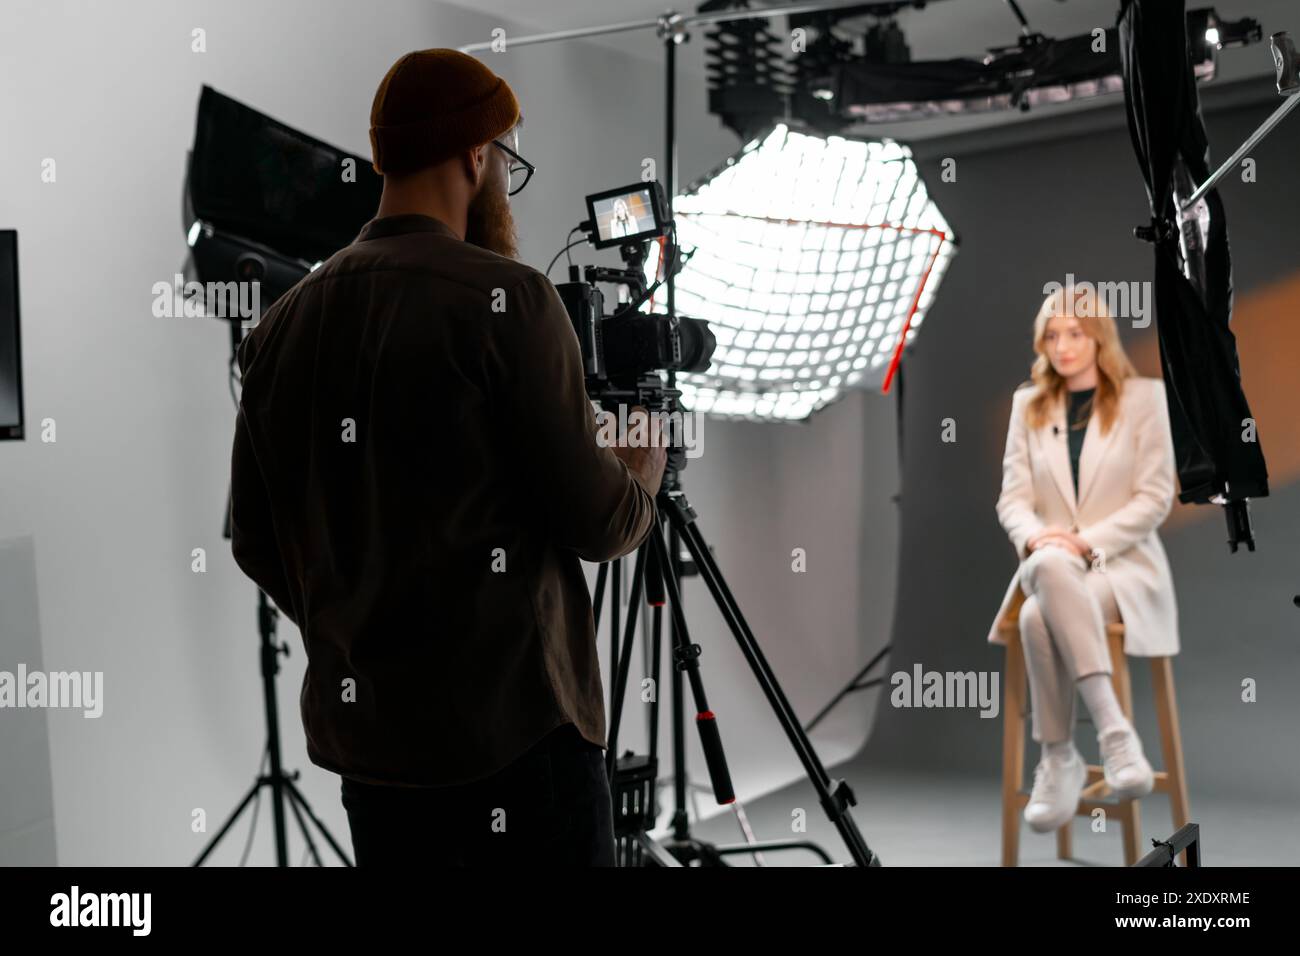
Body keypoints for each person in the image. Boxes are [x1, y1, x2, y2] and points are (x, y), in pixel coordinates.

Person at [228, 48, 666, 866]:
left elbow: (255, 539)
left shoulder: (278, 328)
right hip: (519, 752)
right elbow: (599, 521)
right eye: (508, 159)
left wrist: (365, 621)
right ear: (478, 154)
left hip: (374, 761)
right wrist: (641, 465)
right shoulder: (511, 301)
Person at [988, 284, 1179, 834]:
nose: (1063, 346)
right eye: (1051, 335)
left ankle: (1061, 755)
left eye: (1075, 333)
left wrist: (1085, 542)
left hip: (1121, 566)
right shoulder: (1030, 404)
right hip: (1051, 565)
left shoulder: (1145, 398)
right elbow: (1013, 500)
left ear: (1099, 336)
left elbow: (1154, 498)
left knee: (1035, 609)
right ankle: (1111, 737)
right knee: (1042, 580)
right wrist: (1037, 539)